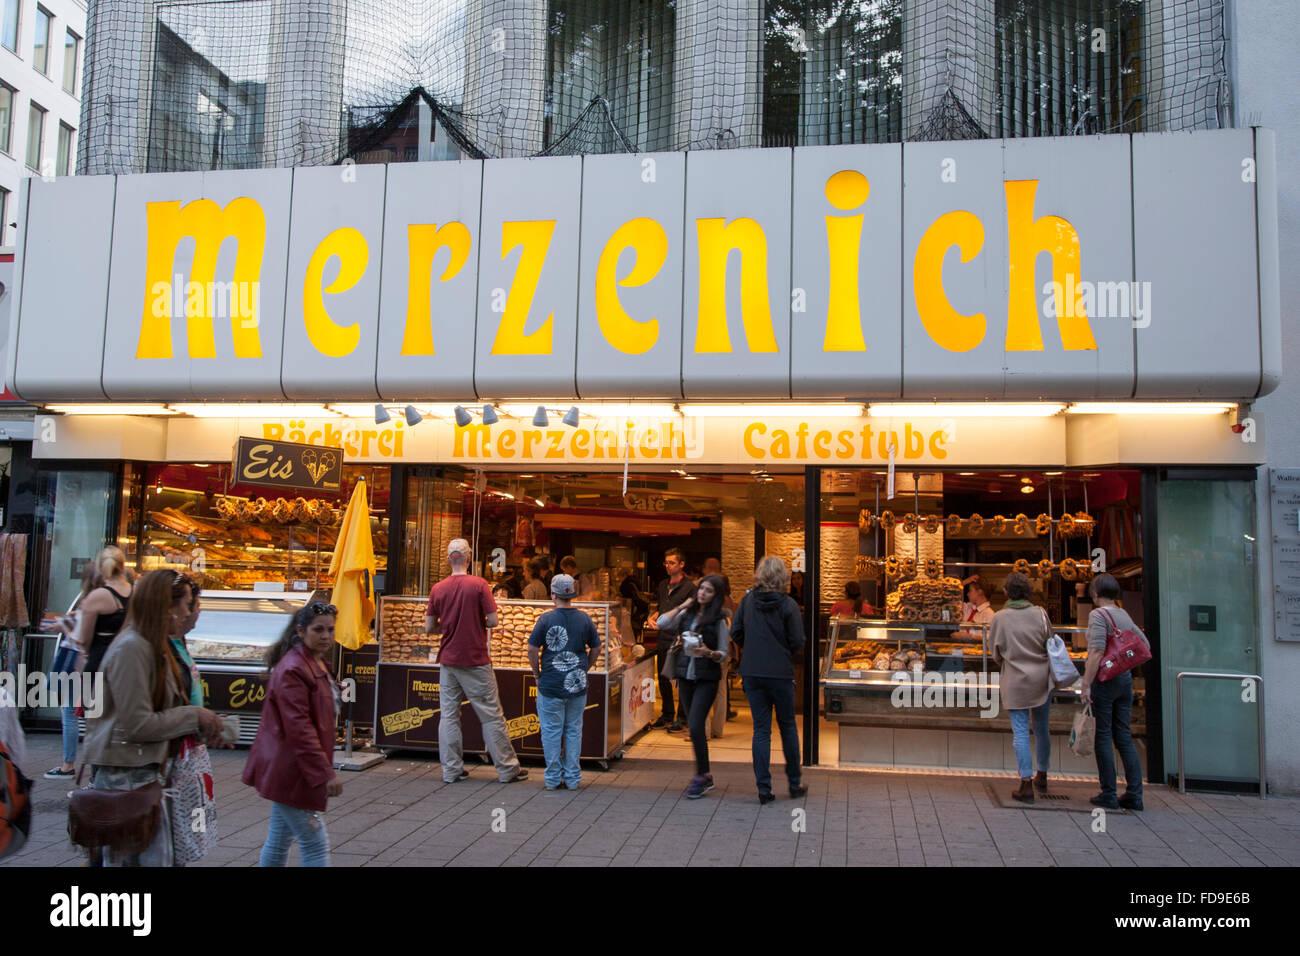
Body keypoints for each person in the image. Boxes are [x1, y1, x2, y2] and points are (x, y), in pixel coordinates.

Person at [81, 569, 224, 866]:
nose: (189, 613)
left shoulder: (154, 645)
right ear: (166, 607)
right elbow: (137, 724)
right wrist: (193, 715)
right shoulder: (133, 647)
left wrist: (198, 727)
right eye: (186, 605)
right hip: (126, 776)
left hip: (145, 774)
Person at [243, 602, 344, 866]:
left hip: (291, 768)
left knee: (279, 841)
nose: (326, 636)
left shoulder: (314, 664)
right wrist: (324, 772)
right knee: (315, 845)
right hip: (292, 770)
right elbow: (299, 729)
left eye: (330, 630)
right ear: (301, 631)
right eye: (318, 630)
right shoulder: (294, 669)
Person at [425, 538, 528, 784]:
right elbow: (493, 621)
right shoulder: (480, 585)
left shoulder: (438, 589)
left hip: (448, 660)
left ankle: (451, 770)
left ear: (449, 559)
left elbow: (429, 626)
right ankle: (506, 769)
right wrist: (473, 624)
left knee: (449, 715)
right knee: (491, 715)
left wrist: (448, 627)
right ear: (469, 557)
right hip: (476, 659)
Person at [732, 556, 806, 804]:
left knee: (761, 730)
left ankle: (764, 789)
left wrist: (750, 649)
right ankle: (794, 783)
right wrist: (783, 651)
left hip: (752, 672)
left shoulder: (748, 601)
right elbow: (798, 640)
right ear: (783, 577)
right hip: (781, 672)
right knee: (787, 726)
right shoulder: (789, 605)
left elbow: (735, 631)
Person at [656, 574, 730, 798]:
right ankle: (704, 775)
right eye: (701, 589)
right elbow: (661, 623)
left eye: (708, 591)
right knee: (693, 725)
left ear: (715, 595)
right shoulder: (687, 614)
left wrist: (708, 652)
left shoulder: (719, 619)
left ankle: (703, 774)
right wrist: (683, 605)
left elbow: (723, 654)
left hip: (706, 677)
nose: (702, 593)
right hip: (685, 676)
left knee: (696, 724)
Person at [527, 574, 602, 791]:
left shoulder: (546, 619)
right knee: (573, 729)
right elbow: (596, 647)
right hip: (577, 684)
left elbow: (532, 649)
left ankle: (552, 779)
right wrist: (585, 667)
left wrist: (537, 673)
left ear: (553, 594)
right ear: (572, 594)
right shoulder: (584, 619)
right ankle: (572, 778)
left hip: (550, 683)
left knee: (551, 731)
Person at [1080, 573, 1147, 811]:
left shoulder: (1098, 615)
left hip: (1105, 681)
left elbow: (1096, 652)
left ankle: (1108, 793)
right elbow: (1144, 645)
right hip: (1124, 681)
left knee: (1103, 736)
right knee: (1124, 736)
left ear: (1095, 594)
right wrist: (1121, 662)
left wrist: (1086, 684)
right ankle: (1134, 794)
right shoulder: (1124, 614)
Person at [989, 572, 1053, 804]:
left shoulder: (1000, 618)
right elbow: (1051, 642)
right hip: (1042, 679)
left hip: (1015, 680)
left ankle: (1026, 783)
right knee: (1042, 728)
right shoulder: (1040, 614)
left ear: (1006, 592)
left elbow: (995, 653)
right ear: (1028, 592)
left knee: (1020, 732)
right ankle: (1042, 774)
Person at [43, 562, 102, 779]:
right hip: (90, 663)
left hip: (77, 661)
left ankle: (69, 764)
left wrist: (61, 624)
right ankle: (92, 768)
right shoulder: (109, 600)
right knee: (89, 715)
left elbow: (77, 629)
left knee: (70, 712)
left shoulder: (90, 601)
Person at [78, 546, 135, 685]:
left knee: (95, 706)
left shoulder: (97, 596)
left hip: (100, 663)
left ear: (100, 567)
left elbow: (84, 640)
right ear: (123, 566)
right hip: (129, 664)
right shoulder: (137, 592)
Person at [169, 577, 205, 706]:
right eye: (197, 606)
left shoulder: (179, 644)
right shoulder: (161, 650)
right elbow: (139, 718)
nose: (199, 611)